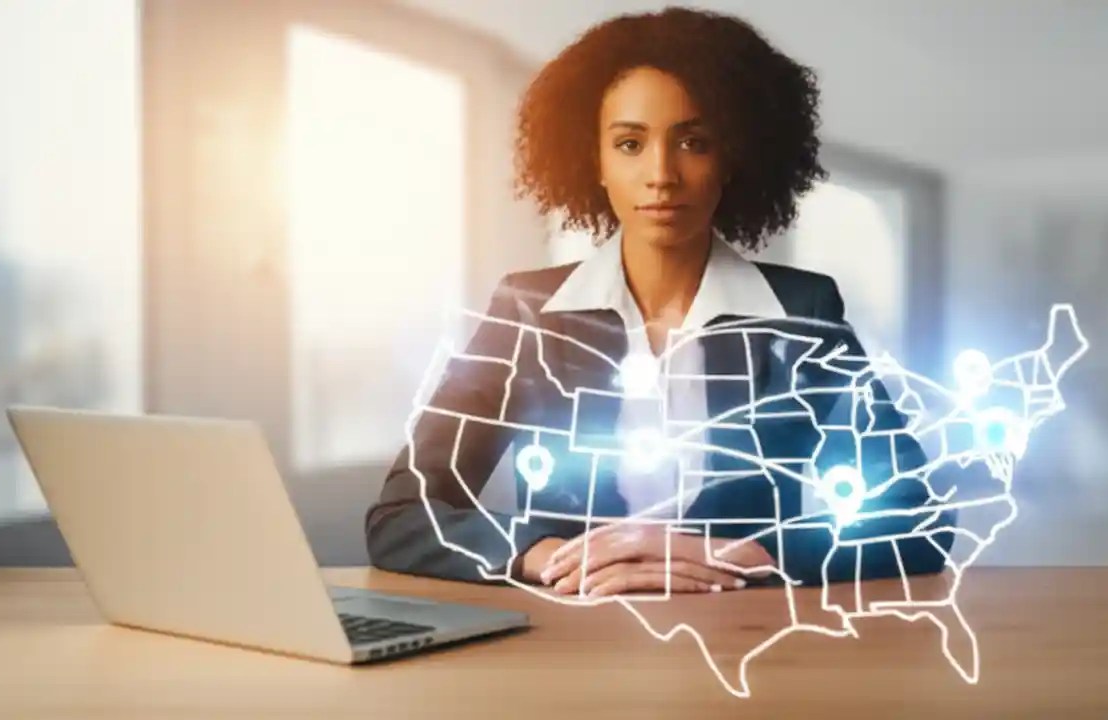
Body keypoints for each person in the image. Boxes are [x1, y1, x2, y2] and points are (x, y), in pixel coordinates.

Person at [365, 6, 956, 597]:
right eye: (628, 143)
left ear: (733, 158)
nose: (661, 175)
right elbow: (400, 518)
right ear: (591, 159)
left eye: (693, 142)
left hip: (744, 641)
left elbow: (915, 518)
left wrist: (742, 554)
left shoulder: (801, 311)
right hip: (566, 641)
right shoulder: (526, 310)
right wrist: (541, 555)